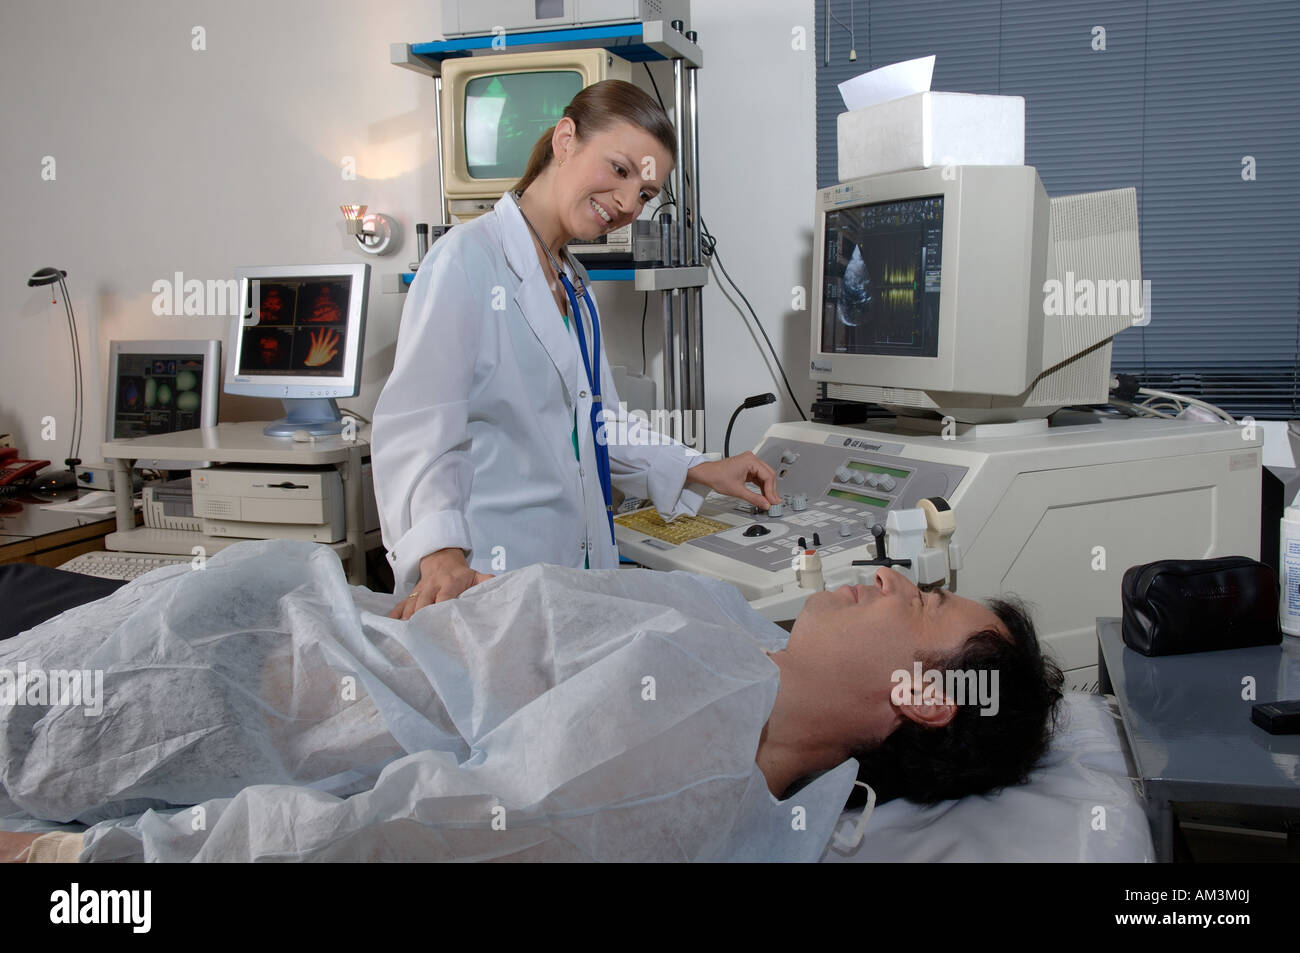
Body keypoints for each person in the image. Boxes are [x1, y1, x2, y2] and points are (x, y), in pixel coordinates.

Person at [0, 540, 1063, 863]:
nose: (885, 574)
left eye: (918, 598)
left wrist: (73, 867)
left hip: (169, 704)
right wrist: (469, 595)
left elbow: (385, 831)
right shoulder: (741, 635)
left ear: (927, 695)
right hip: (259, 620)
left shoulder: (690, 755)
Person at [371, 80, 781, 619]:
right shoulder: (467, 261)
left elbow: (600, 424)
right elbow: (418, 430)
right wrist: (439, 552)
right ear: (565, 139)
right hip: (492, 580)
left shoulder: (574, 282)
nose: (629, 202)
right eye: (620, 169)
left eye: (646, 193)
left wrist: (700, 468)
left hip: (573, 578)